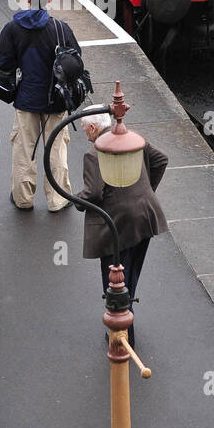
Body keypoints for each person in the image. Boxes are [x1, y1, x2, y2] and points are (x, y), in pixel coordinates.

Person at [78, 112, 168, 344]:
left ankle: (122, 338)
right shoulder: (133, 139)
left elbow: (93, 193)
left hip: (117, 226)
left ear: (92, 128)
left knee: (115, 284)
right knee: (130, 275)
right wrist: (144, 192)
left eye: (84, 128)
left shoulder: (95, 153)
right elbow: (160, 160)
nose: (86, 134)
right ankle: (126, 322)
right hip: (145, 217)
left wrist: (75, 200)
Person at [0, 0, 81, 211]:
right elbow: (76, 61)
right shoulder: (60, 28)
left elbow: (2, 61)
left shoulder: (12, 28)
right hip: (56, 101)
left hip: (26, 100)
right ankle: (57, 200)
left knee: (23, 151)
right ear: (48, 0)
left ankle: (22, 199)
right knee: (56, 150)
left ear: (28, 0)